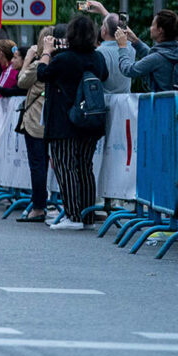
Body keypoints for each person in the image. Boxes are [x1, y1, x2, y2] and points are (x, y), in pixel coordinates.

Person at [36, 14, 109, 230]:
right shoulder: (98, 58)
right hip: (91, 120)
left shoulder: (63, 59)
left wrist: (46, 52)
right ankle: (87, 216)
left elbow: (42, 74)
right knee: (85, 167)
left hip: (64, 121)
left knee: (65, 166)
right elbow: (104, 76)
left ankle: (73, 215)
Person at [14, 23, 61, 223]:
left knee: (38, 164)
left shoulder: (39, 64)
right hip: (56, 119)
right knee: (60, 163)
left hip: (36, 121)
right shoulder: (61, 61)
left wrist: (28, 59)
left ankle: (39, 207)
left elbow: (21, 81)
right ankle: (65, 205)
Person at [118, 10, 178, 92]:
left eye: (153, 25)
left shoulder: (157, 58)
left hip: (163, 103)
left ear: (160, 30)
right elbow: (156, 57)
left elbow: (128, 70)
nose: (150, 28)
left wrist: (122, 47)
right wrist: (135, 41)